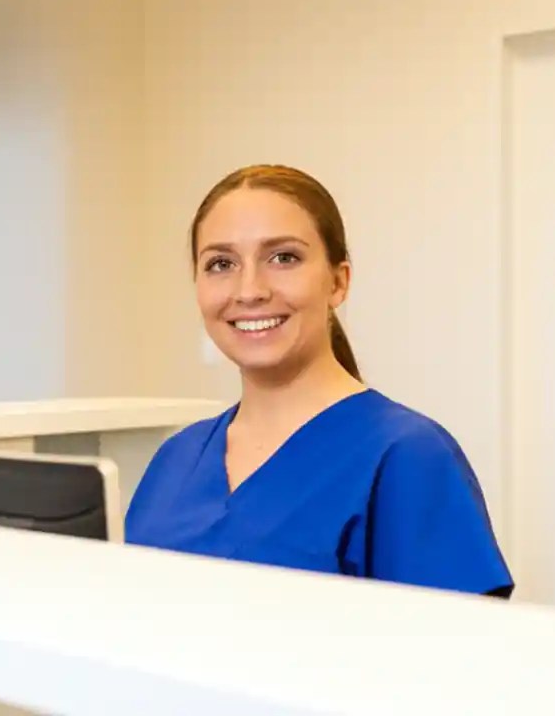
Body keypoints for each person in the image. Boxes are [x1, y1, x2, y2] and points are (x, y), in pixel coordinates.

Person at [124, 164, 513, 597]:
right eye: (221, 263)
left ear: (338, 282)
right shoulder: (175, 460)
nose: (249, 289)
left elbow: (462, 651)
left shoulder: (406, 456)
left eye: (283, 258)